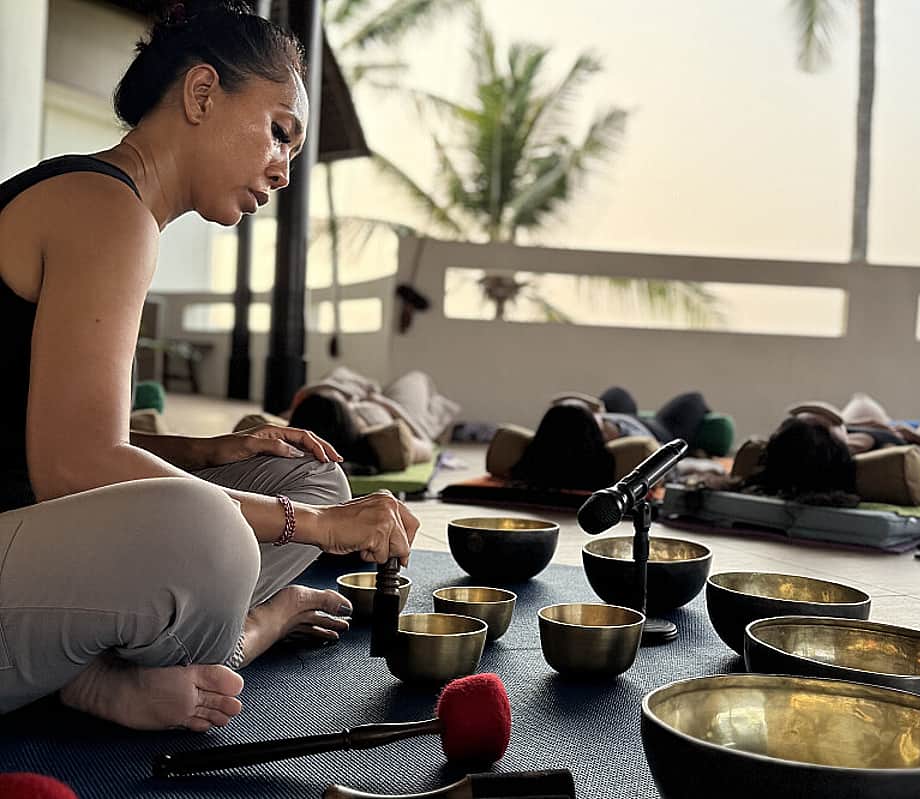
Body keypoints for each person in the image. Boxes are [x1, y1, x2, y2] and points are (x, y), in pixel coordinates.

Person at [0, 1, 417, 732]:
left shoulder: (115, 207)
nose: (285, 171)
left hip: (26, 528)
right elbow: (70, 465)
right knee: (219, 535)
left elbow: (36, 434)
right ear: (200, 95)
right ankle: (175, 655)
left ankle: (116, 664)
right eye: (280, 132)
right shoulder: (104, 207)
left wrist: (204, 451)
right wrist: (315, 526)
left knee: (313, 471)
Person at [757, 392, 920, 501]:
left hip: (893, 429)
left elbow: (808, 416)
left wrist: (856, 425)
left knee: (862, 399)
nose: (835, 418)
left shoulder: (820, 447)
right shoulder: (894, 462)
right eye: (831, 422)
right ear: (831, 438)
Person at [509, 388, 712, 490]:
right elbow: (671, 469)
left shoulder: (546, 446)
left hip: (610, 417)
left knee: (617, 392)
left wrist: (596, 414)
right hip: (655, 429)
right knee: (693, 399)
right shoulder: (632, 450)